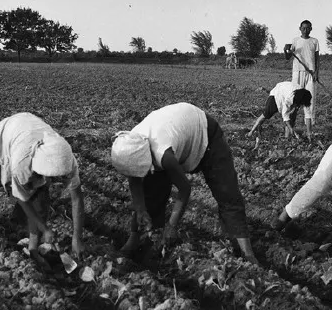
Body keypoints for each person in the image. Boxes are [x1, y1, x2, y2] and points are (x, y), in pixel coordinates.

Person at [111, 102, 259, 264]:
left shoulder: (163, 155)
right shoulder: (130, 144)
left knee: (227, 194)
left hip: (204, 132)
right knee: (152, 195)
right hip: (174, 133)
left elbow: (185, 189)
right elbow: (134, 178)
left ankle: (247, 253)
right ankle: (135, 242)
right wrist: (140, 209)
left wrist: (172, 226)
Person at [0, 112, 85, 264]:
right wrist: (44, 228)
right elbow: (22, 198)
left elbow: (77, 198)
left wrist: (77, 238)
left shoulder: (66, 159)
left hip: (25, 132)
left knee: (41, 198)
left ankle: (33, 248)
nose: (49, 181)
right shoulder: (22, 163)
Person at [284, 20, 320, 142]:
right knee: (294, 101)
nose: (305, 30)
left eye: (308, 28)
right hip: (297, 73)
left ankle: (310, 133)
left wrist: (316, 73)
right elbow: (288, 57)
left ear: (311, 29)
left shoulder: (314, 41)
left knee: (309, 102)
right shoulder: (295, 41)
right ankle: (288, 132)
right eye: (303, 28)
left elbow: (317, 59)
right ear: (300, 28)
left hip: (310, 73)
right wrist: (286, 50)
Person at [247, 81, 312, 140]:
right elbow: (285, 115)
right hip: (276, 95)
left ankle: (287, 139)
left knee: (292, 119)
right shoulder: (289, 98)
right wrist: (291, 128)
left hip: (286, 94)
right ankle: (251, 131)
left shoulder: (305, 96)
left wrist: (309, 134)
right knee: (266, 114)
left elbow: (308, 115)